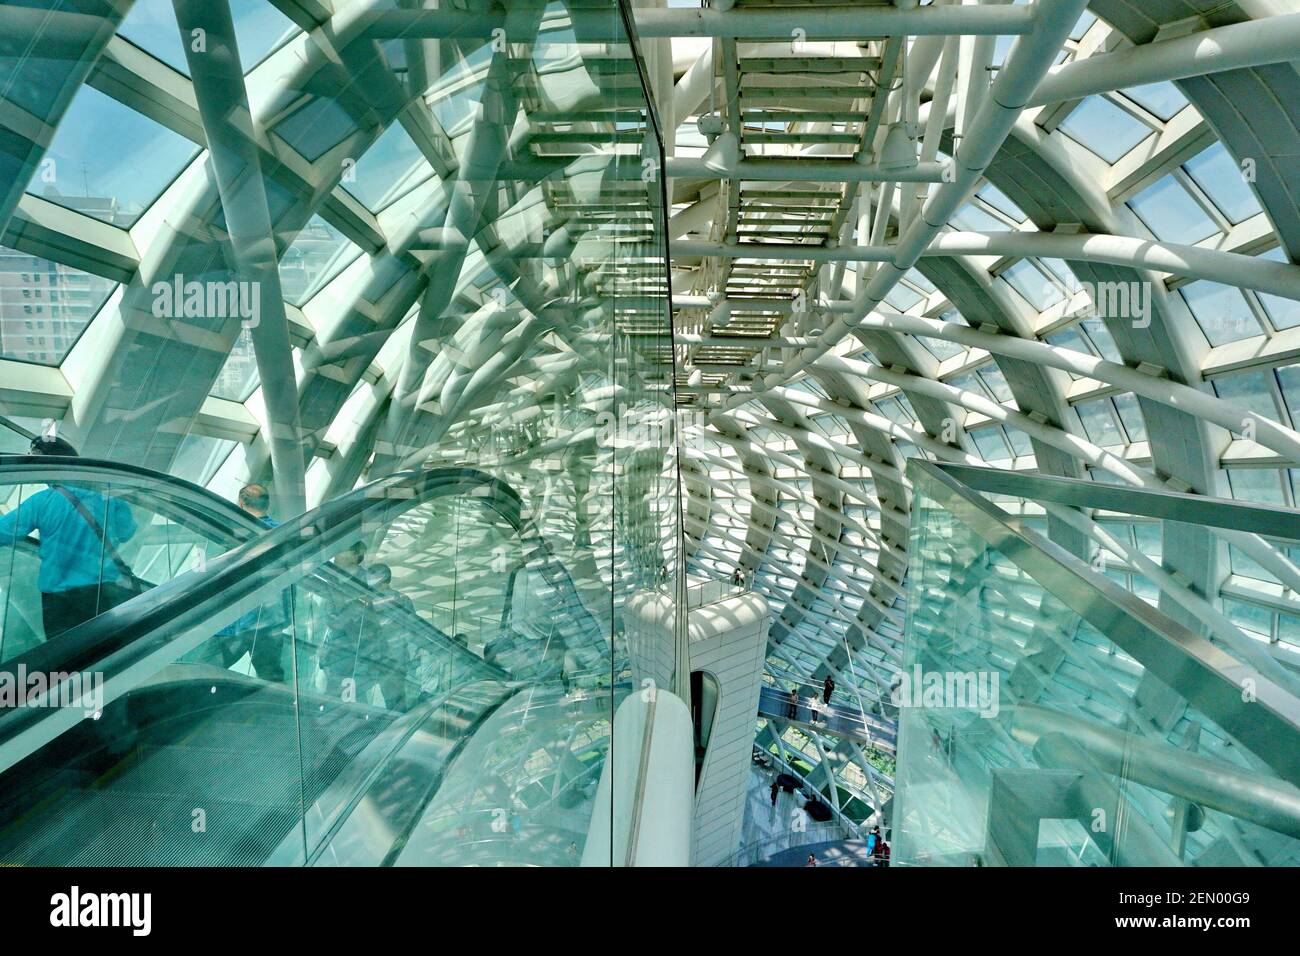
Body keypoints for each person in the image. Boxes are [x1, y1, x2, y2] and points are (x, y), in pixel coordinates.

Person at [0, 435, 138, 640]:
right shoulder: (106, 496)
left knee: (67, 659)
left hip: (60, 600)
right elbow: (127, 533)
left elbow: (3, 533)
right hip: (106, 591)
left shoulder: (41, 502)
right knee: (108, 649)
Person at [208, 484, 288, 681]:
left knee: (205, 671)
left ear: (241, 504)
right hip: (269, 621)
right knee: (271, 678)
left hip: (233, 620)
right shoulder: (283, 533)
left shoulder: (232, 531)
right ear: (267, 504)